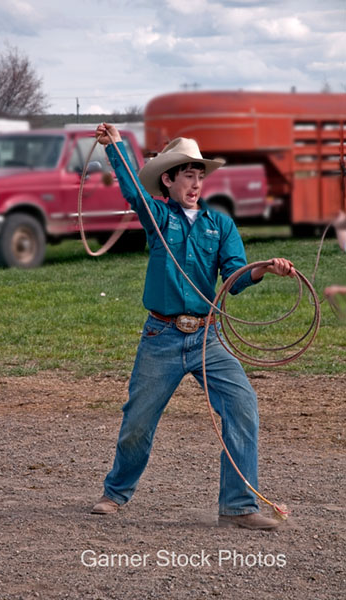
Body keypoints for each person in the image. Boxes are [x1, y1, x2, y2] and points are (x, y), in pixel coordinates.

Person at [91, 123, 296, 530]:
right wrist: (114, 146)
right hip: (161, 337)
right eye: (188, 174)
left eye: (200, 175)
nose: (196, 182)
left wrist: (263, 270)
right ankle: (115, 493)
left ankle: (237, 507)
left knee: (243, 406)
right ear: (168, 180)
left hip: (207, 338)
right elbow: (133, 190)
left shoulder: (219, 225)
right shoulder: (159, 216)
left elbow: (233, 281)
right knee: (138, 422)